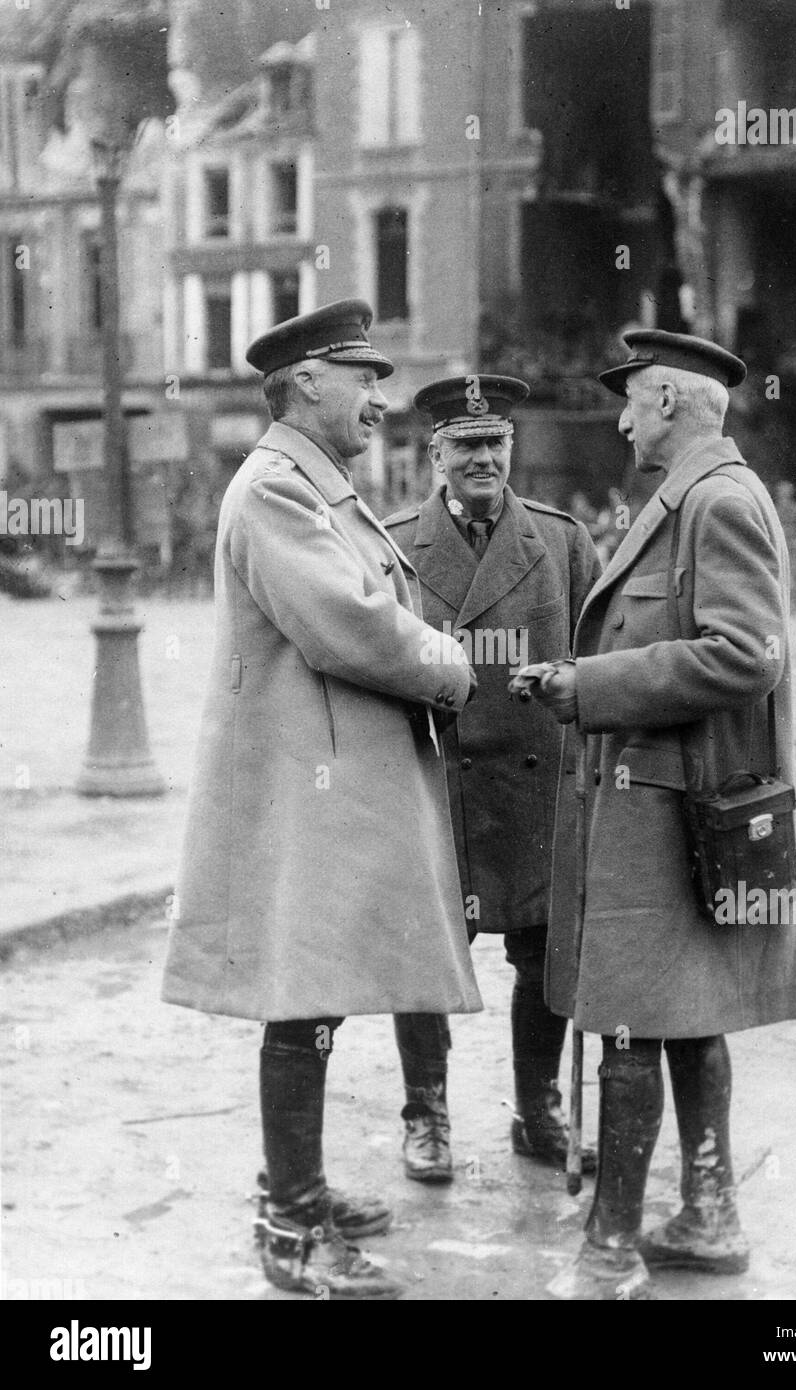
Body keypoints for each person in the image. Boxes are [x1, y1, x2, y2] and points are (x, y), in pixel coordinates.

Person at [161, 302, 483, 1300]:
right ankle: (287, 1216)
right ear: (307, 381)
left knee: (320, 990)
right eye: (364, 377)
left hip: (332, 784)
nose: (381, 399)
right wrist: (453, 666)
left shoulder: (312, 485)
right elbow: (353, 626)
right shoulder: (275, 491)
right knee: (299, 997)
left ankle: (299, 1185)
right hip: (307, 790)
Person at [514, 328, 796, 1300]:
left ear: (667, 403)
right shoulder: (692, 498)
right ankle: (707, 1212)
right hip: (665, 804)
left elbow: (749, 653)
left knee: (627, 1022)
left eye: (630, 401)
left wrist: (594, 685)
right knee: (687, 1014)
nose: (616, 420)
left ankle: (611, 1248)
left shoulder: (719, 501)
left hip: (671, 809)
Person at [384, 375, 601, 1182]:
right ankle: (426, 1114)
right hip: (439, 780)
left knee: (544, 953)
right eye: (466, 445)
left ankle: (537, 1109)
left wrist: (567, 674)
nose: (483, 459)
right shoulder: (397, 541)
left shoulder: (562, 540)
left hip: (535, 787)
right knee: (426, 954)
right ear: (436, 455)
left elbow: (600, 648)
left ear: (512, 449)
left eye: (495, 444)